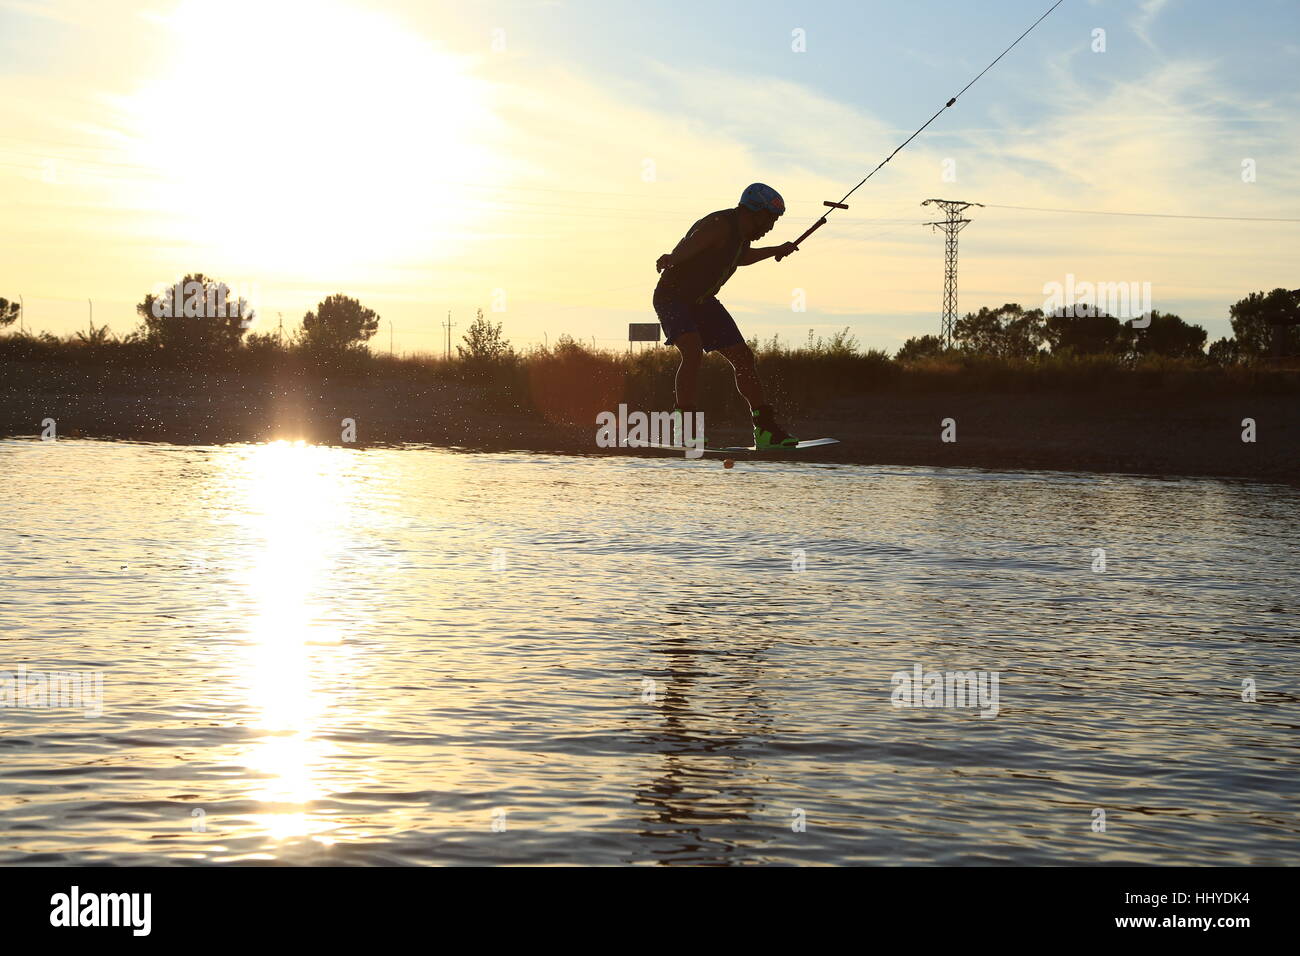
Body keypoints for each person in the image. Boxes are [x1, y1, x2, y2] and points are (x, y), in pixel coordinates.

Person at [653, 183, 800, 449]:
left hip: (702, 302)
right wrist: (671, 258)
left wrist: (775, 249)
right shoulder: (720, 224)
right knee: (693, 350)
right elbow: (693, 243)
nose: (770, 227)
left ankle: (766, 431)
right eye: (769, 219)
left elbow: (740, 258)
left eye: (774, 222)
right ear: (753, 211)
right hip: (672, 296)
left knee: (743, 358)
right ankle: (683, 430)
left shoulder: (741, 238)